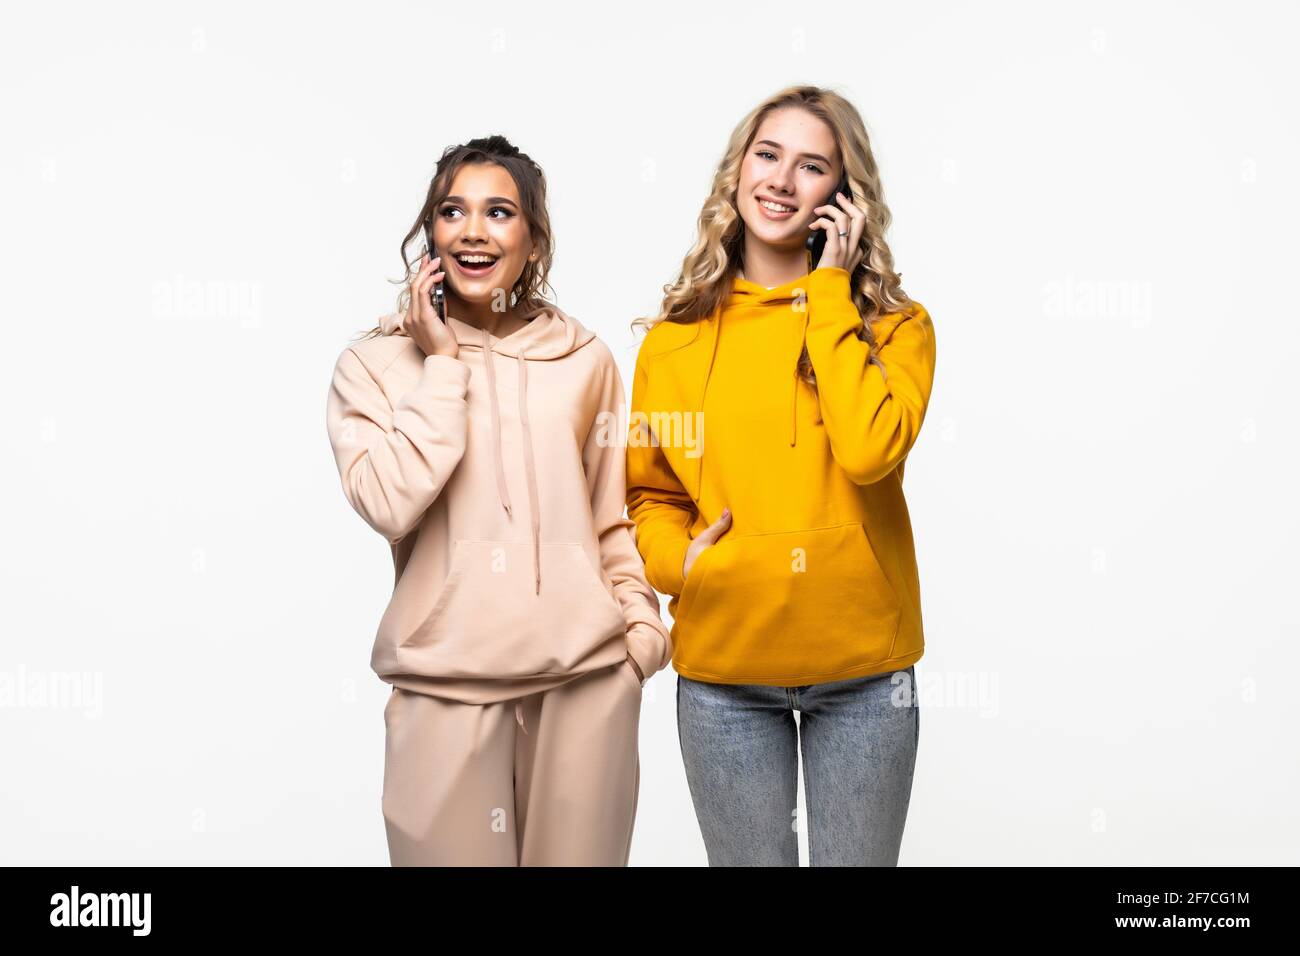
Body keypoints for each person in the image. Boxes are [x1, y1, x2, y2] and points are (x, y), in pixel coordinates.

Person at [326, 135, 671, 866]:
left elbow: (611, 518)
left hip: (585, 687)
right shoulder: (375, 365)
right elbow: (387, 501)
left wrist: (639, 642)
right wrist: (443, 365)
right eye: (452, 211)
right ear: (430, 234)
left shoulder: (585, 359)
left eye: (499, 212)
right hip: (442, 690)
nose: (473, 231)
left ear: (533, 240)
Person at [626, 87, 936, 866]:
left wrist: (828, 291)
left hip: (866, 674)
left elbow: (868, 450)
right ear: (738, 168)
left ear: (843, 195)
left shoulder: (896, 328)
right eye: (768, 155)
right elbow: (651, 494)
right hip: (725, 671)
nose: (781, 180)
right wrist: (680, 564)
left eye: (812, 166)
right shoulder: (673, 341)